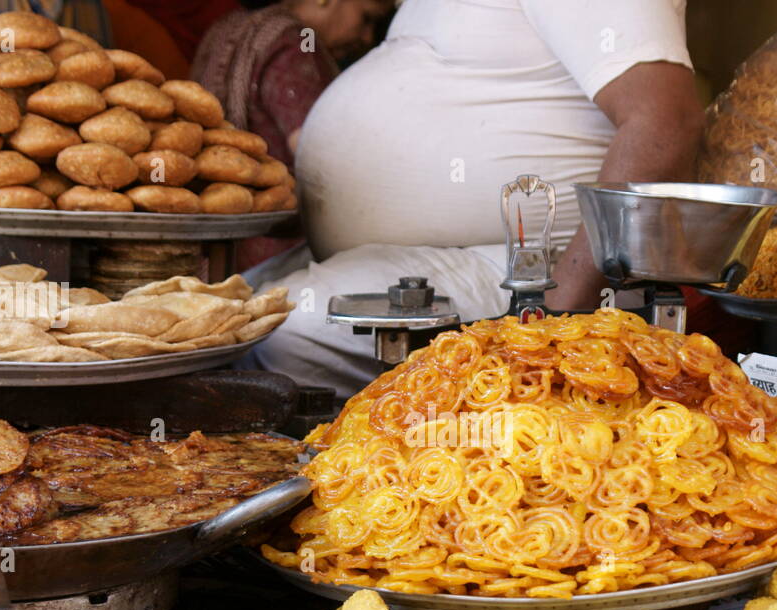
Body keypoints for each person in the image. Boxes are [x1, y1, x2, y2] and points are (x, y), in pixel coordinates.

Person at [248, 0, 703, 399]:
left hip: (535, 272)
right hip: (423, 256)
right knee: (216, 317)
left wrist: (555, 320)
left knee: (276, 329)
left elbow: (665, 122)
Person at [194, 0, 393, 170]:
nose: (368, 37)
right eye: (367, 18)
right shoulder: (302, 39)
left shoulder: (229, 26)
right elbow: (320, 155)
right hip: (276, 209)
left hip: (205, 203)